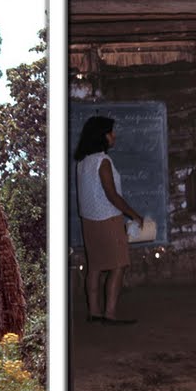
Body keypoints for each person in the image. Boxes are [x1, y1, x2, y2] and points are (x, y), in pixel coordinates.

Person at [75, 116, 145, 325]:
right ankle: (110, 314)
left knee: (94, 267)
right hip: (108, 218)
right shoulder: (102, 161)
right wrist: (134, 214)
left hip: (88, 220)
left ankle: (94, 312)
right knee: (119, 265)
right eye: (111, 132)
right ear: (102, 136)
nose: (114, 136)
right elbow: (112, 194)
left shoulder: (82, 162)